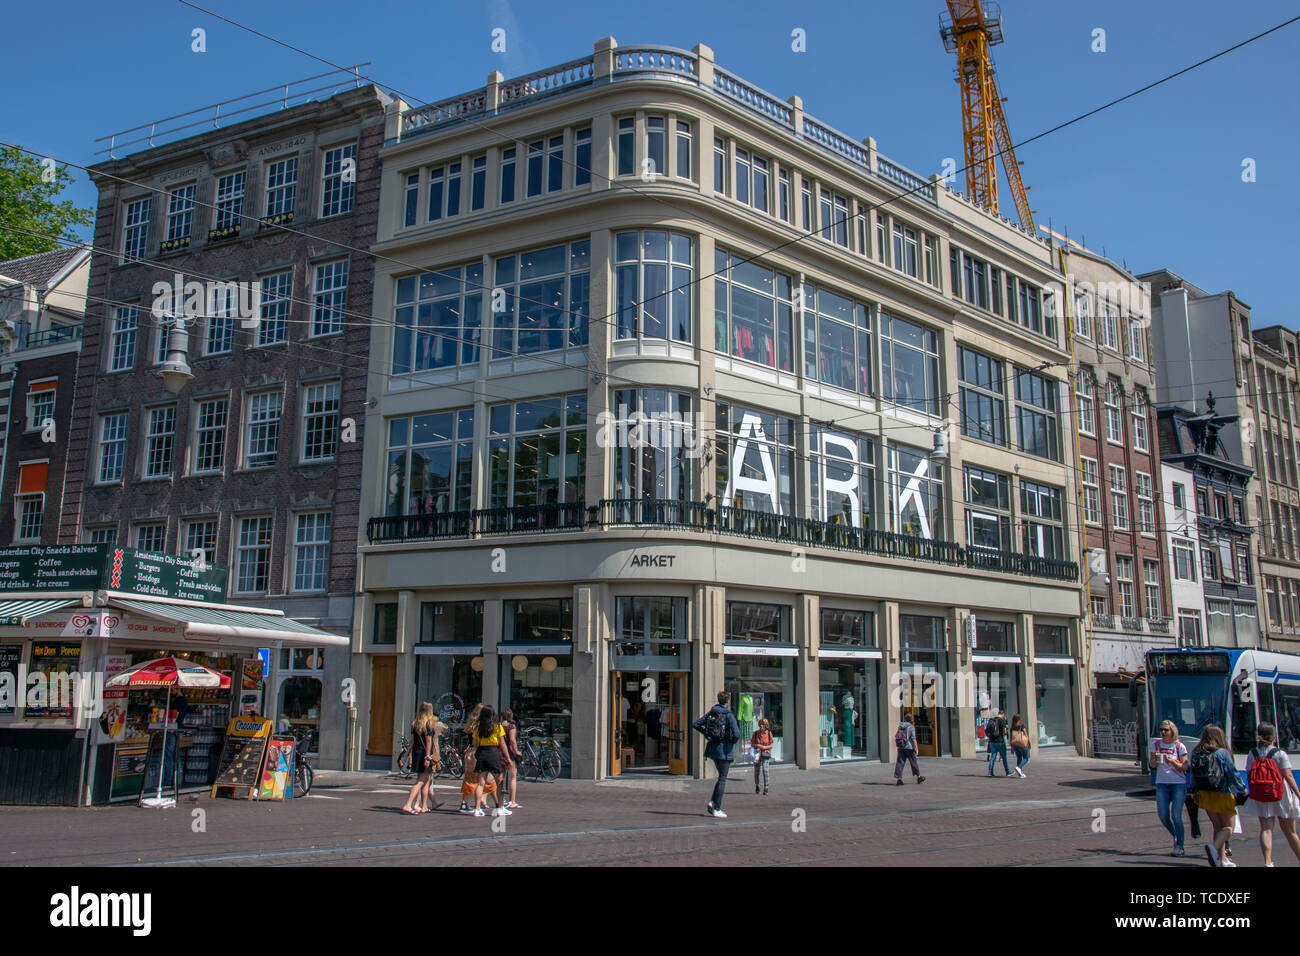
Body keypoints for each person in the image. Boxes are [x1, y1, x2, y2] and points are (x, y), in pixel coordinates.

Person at [1239, 721, 1300, 867]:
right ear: (1274, 736)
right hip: (1280, 794)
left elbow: (1249, 773)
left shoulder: (1253, 753)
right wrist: (1298, 794)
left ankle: (1267, 862)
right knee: (1290, 831)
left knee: (1266, 828)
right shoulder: (1279, 753)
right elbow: (1288, 776)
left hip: (1262, 795)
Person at [1193, 724, 1246, 867]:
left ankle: (1223, 860)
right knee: (1229, 827)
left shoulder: (1196, 752)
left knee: (1217, 826)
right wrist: (1242, 787)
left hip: (1205, 793)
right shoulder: (1222, 753)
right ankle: (1213, 848)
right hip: (1222, 793)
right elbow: (1232, 772)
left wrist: (1195, 791)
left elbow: (1193, 774)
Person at [692, 691, 741, 818]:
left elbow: (696, 724)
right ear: (727, 701)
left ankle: (713, 802)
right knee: (722, 779)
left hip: (712, 749)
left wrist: (708, 735)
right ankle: (716, 807)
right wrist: (731, 742)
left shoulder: (712, 712)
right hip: (724, 751)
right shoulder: (729, 715)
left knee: (720, 777)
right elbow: (736, 734)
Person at [1148, 720, 1190, 856]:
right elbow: (1152, 765)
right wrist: (1154, 760)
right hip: (1162, 783)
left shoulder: (1179, 746)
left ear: (1172, 731)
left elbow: (1185, 767)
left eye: (1166, 730)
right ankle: (1176, 836)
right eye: (1161, 730)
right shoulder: (1156, 744)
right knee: (1163, 815)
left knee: (1176, 816)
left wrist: (1171, 761)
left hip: (1178, 783)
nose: (1163, 732)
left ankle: (1180, 846)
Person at [469, 705, 513, 818]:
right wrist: (508, 757)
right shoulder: (497, 727)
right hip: (493, 753)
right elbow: (502, 744)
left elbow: (475, 744)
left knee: (480, 783)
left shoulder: (478, 728)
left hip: (482, 752)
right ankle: (500, 808)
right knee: (500, 781)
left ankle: (477, 809)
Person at [401, 702, 441, 815]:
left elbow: (412, 741)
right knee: (421, 781)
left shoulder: (416, 723)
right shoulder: (428, 724)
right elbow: (428, 741)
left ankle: (424, 806)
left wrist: (406, 755)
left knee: (426, 780)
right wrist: (427, 757)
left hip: (416, 753)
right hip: (424, 753)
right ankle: (408, 804)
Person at [893, 715, 925, 785]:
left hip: (901, 746)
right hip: (909, 747)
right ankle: (918, 777)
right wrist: (916, 748)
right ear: (911, 719)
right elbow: (913, 738)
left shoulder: (900, 726)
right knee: (913, 762)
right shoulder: (911, 727)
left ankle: (899, 779)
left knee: (900, 762)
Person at [501, 708, 523, 810]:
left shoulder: (500, 726)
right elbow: (513, 740)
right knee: (513, 776)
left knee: (500, 777)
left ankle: (499, 799)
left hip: (500, 752)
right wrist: (516, 751)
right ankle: (512, 801)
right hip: (509, 753)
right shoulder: (511, 726)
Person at [751, 717, 774, 795]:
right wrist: (756, 746)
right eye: (760, 724)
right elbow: (752, 743)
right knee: (757, 771)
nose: (761, 726)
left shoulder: (768, 733)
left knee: (765, 770)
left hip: (765, 753)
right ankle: (757, 786)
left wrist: (764, 747)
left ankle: (766, 788)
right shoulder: (756, 733)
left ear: (766, 725)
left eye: (763, 724)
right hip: (757, 755)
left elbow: (771, 745)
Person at [985, 709, 1011, 777]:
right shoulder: (1002, 720)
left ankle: (990, 772)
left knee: (993, 756)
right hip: (1000, 741)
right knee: (1004, 757)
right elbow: (1005, 732)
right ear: (1002, 714)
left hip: (992, 741)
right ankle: (1007, 772)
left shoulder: (992, 720)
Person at [1009, 713, 1030, 778]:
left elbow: (1011, 738)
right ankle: (1018, 767)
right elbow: (1026, 735)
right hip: (1022, 744)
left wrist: (1012, 747)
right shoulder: (1021, 726)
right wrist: (1028, 743)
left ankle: (1020, 773)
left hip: (1015, 745)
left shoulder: (1012, 727)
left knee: (1019, 757)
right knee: (1026, 758)